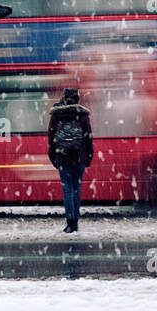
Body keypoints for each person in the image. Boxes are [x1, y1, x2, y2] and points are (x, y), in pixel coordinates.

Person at [47, 87, 93, 233]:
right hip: (79, 158)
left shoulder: (56, 115)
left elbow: (51, 138)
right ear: (77, 100)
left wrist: (53, 157)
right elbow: (88, 138)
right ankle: (76, 220)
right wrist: (89, 156)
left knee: (67, 189)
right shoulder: (83, 115)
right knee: (76, 188)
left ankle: (70, 221)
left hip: (63, 157)